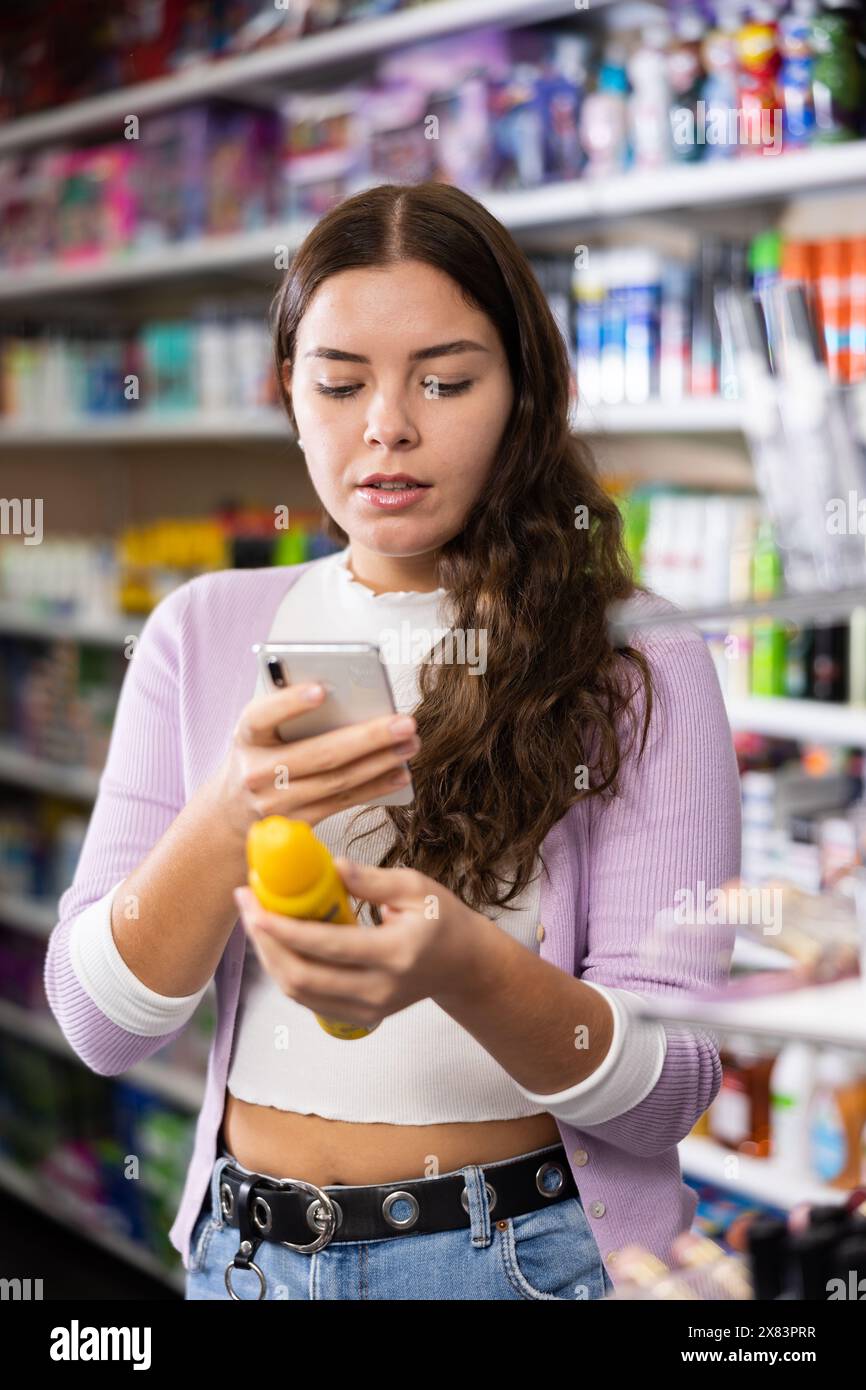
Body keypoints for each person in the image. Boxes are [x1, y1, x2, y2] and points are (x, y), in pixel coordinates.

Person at [45, 181, 741, 1301]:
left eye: (445, 379)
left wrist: (464, 966)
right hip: (247, 1258)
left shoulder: (634, 656)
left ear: (522, 390)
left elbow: (672, 1088)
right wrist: (225, 816)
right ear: (290, 396)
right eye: (338, 382)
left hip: (520, 1260)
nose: (387, 426)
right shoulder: (205, 629)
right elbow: (96, 1026)